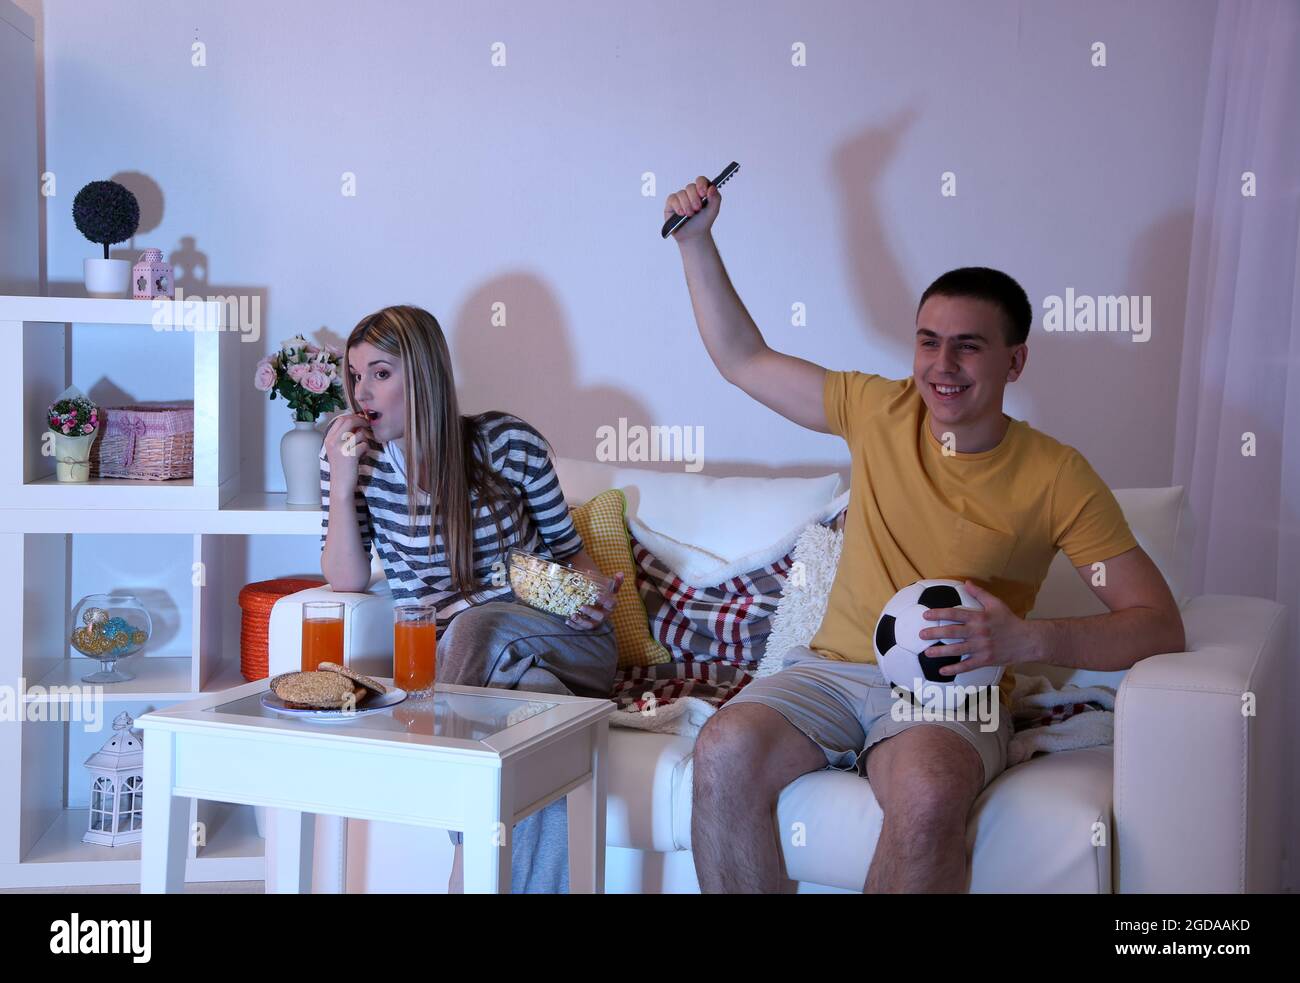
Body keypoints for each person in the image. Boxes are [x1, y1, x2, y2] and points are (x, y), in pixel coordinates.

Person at [664, 175, 1185, 893]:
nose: (943, 366)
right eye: (928, 342)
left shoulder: (1058, 475)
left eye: (968, 347)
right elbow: (744, 359)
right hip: (831, 668)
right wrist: (696, 242)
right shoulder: (878, 411)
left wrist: (1027, 640)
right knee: (722, 747)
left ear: (1014, 360)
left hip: (947, 695)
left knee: (931, 791)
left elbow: (1157, 624)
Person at [318, 304, 621, 892]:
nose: (362, 392)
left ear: (425, 375)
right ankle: (473, 877)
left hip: (562, 639)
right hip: (493, 670)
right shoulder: (354, 459)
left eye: (380, 373)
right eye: (355, 375)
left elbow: (569, 550)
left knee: (474, 627)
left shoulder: (504, 443)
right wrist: (341, 476)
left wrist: (592, 591)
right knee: (536, 722)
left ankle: (444, 802)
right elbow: (347, 580)